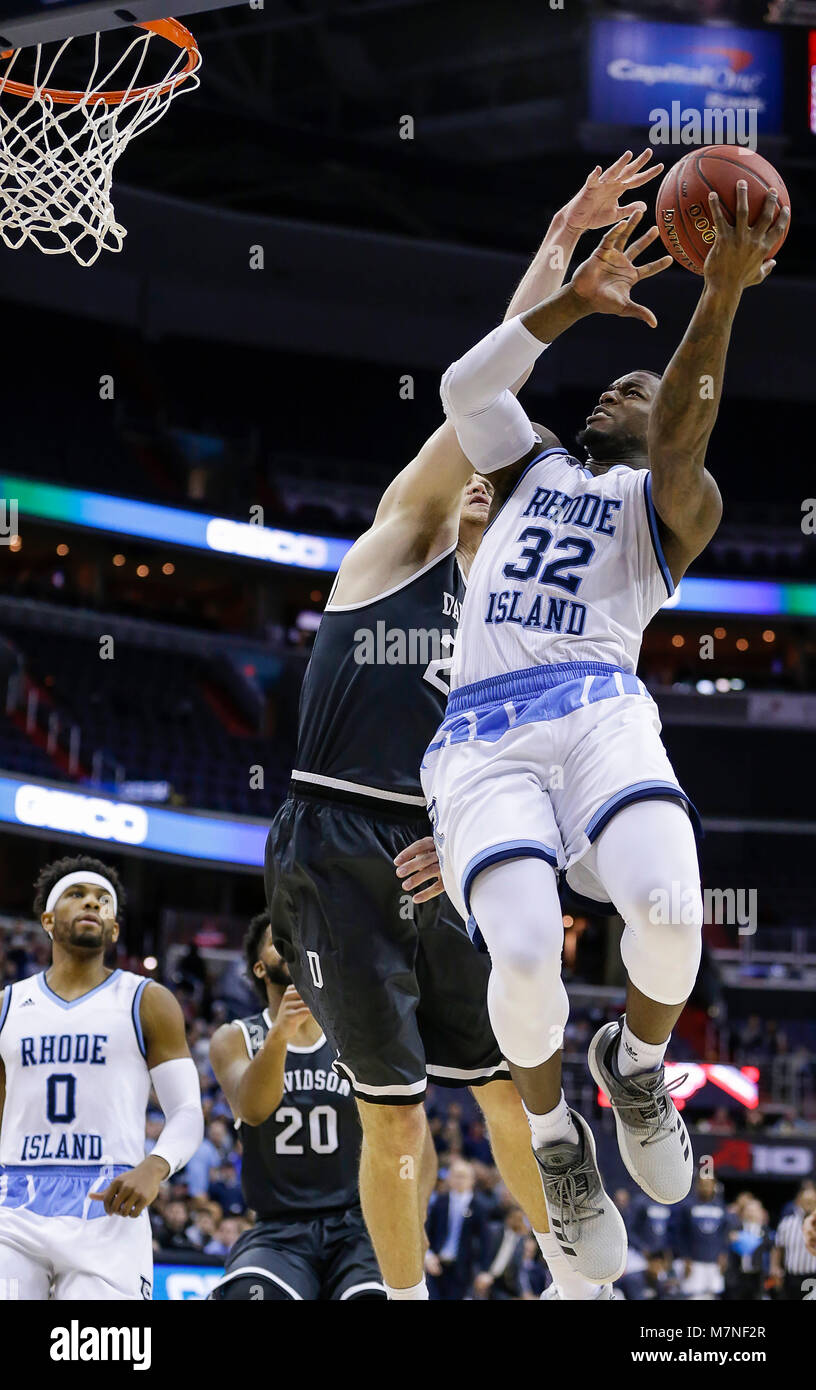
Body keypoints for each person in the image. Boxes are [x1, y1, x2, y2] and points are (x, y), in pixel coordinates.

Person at [265, 151, 666, 1301]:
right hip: (341, 843)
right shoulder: (399, 548)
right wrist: (555, 250)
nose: (488, 486)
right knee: (391, 1115)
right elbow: (473, 395)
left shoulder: (542, 628)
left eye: (508, 483)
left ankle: (581, 1289)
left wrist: (494, 841)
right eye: (479, 483)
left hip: (457, 853)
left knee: (509, 1086)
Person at [419, 181, 789, 1281]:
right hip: (482, 741)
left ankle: (634, 1062)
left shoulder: (681, 505)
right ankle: (554, 1138)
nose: (622, 384)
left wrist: (718, 296)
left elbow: (685, 422)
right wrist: (570, 304)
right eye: (616, 374)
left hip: (597, 707)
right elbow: (460, 385)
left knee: (673, 914)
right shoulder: (525, 464)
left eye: (643, 383)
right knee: (526, 952)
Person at [0, 854, 203, 1300]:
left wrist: (155, 1166)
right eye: (77, 895)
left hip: (110, 1204)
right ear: (49, 920)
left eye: (102, 900)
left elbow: (187, 1110)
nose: (92, 903)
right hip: (14, 1204)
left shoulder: (149, 1000)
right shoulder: (6, 1005)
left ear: (113, 929)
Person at [208, 911, 386, 1300]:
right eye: (278, 939)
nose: (292, 944)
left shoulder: (353, 1035)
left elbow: (403, 1128)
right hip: (278, 1229)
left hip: (357, 1225)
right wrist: (278, 1037)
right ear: (258, 968)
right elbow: (253, 1109)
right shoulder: (234, 1038)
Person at [425, 1158, 492, 1300]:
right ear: (449, 1177)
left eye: (463, 1176)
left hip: (463, 1270)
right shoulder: (440, 1202)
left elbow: (486, 1240)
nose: (459, 1180)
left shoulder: (479, 1206)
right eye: (456, 1175)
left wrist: (485, 1270)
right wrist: (428, 1255)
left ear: (472, 1180)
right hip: (437, 1265)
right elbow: (427, 1231)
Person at [671, 1175, 735, 1300]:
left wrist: (724, 1254)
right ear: (697, 1186)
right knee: (693, 1294)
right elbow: (679, 1234)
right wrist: (685, 1257)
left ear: (714, 1186)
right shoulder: (687, 1206)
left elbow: (725, 1233)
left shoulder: (720, 1206)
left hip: (714, 1260)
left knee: (712, 1294)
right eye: (703, 1184)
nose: (706, 1188)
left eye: (709, 1184)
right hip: (693, 1260)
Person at [771, 1182, 816, 1301]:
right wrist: (775, 1267)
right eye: (806, 1201)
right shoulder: (787, 1223)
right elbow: (778, 1247)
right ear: (799, 1201)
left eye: (812, 1201)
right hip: (792, 1277)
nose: (809, 1204)